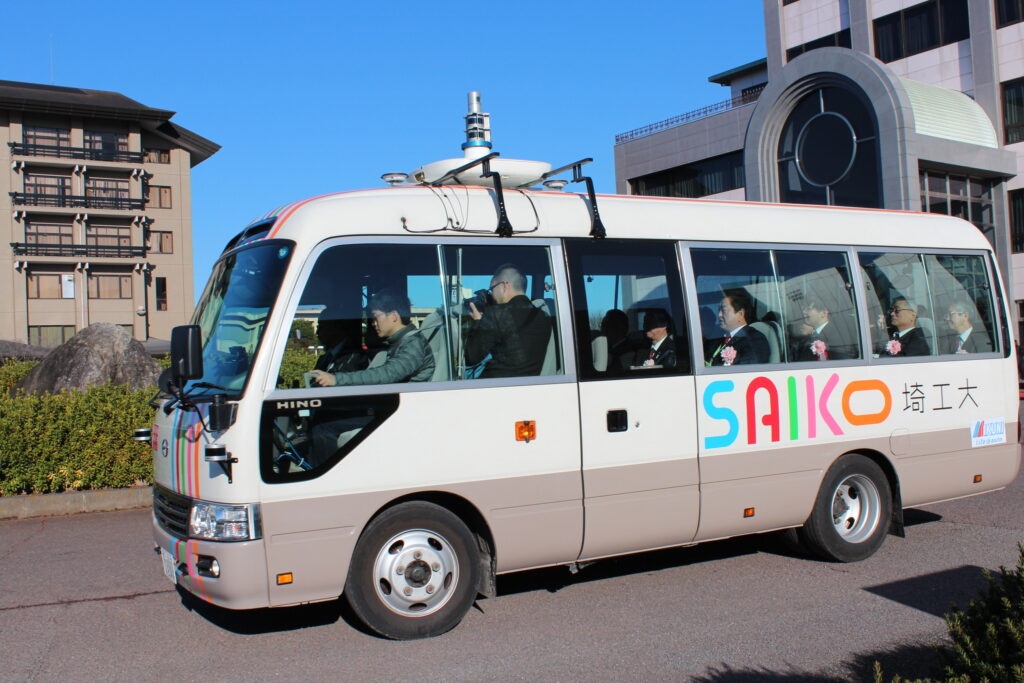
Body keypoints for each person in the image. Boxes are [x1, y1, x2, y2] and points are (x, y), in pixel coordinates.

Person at [309, 289, 433, 386]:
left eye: (375, 317)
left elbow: (388, 374)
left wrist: (336, 379)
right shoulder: (400, 343)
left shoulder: (413, 343)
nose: (373, 323)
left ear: (394, 316)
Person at [465, 264, 552, 378]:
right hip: (530, 383)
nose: (492, 294)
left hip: (493, 386)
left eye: (492, 289)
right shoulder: (544, 317)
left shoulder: (496, 314)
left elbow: (472, 357)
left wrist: (477, 321)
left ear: (504, 285)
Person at [708, 289, 769, 366]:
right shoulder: (718, 339)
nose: (719, 315)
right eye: (719, 310)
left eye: (724, 310)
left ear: (740, 314)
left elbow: (748, 371)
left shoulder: (754, 339)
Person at [312, 307, 368, 375]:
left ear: (336, 328)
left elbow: (341, 380)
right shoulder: (324, 358)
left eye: (322, 326)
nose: (318, 332)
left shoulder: (353, 355)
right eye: (318, 327)